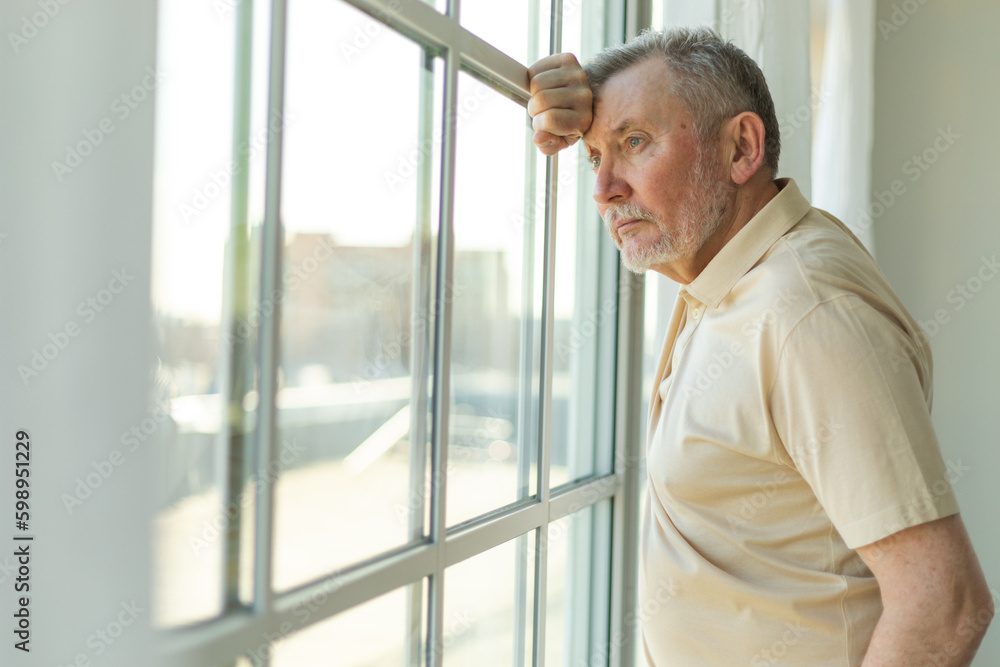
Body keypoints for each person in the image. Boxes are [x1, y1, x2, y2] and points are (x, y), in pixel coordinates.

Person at [527, 27, 993, 666]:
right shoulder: (728, 275)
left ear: (740, 147)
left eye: (635, 143)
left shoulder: (804, 311)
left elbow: (945, 605)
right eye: (594, 157)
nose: (605, 188)